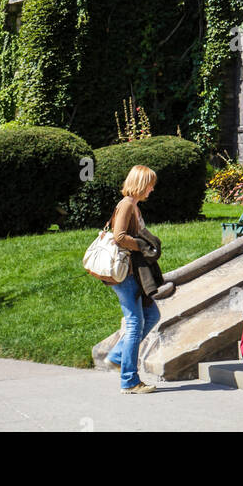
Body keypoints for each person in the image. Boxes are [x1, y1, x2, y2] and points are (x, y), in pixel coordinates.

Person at [104, 164, 162, 394]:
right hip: (124, 274)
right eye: (150, 185)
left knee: (151, 315)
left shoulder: (134, 207)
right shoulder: (126, 205)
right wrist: (142, 245)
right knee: (135, 322)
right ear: (141, 183)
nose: (152, 189)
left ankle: (119, 356)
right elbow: (118, 237)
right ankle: (129, 381)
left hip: (132, 273)